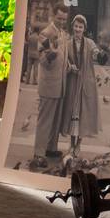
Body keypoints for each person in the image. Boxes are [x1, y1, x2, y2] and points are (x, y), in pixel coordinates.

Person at [58, 14, 105, 158]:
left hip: (86, 83)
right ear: (73, 27)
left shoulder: (90, 43)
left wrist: (101, 55)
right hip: (73, 82)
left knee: (84, 114)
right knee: (73, 113)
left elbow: (95, 53)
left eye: (81, 27)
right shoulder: (67, 43)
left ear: (84, 28)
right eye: (76, 26)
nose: (78, 29)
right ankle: (72, 144)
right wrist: (69, 66)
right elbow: (63, 58)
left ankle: (79, 144)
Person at [32, 9, 69, 162]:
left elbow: (64, 56)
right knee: (45, 120)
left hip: (60, 85)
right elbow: (43, 60)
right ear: (53, 16)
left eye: (64, 19)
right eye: (59, 18)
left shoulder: (63, 34)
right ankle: (39, 154)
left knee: (55, 120)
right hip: (49, 85)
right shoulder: (45, 34)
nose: (62, 21)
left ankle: (51, 148)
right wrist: (51, 55)